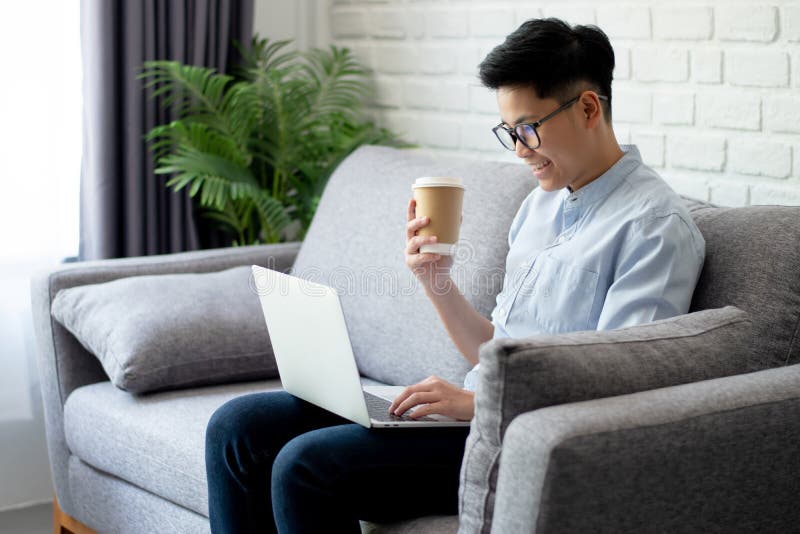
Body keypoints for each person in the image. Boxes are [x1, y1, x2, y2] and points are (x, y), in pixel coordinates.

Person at [204, 18, 705, 533]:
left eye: (528, 128)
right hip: (469, 417)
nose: (518, 149)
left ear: (588, 108)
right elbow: (498, 349)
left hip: (514, 438)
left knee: (304, 466)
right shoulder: (540, 206)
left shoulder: (653, 227)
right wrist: (435, 279)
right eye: (509, 131)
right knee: (237, 428)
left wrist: (475, 402)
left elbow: (621, 388)